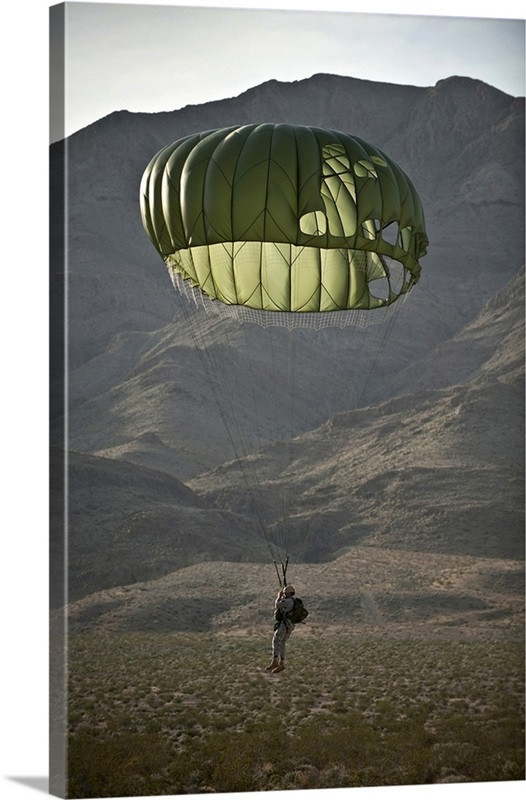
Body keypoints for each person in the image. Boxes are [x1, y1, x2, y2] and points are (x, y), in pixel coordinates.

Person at [265, 584, 296, 673]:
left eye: (286, 593)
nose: (285, 594)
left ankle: (275, 660)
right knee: (282, 643)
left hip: (284, 625)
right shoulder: (293, 601)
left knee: (276, 640)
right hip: (289, 625)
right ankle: (281, 662)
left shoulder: (288, 601)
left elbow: (278, 605)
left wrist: (279, 597)